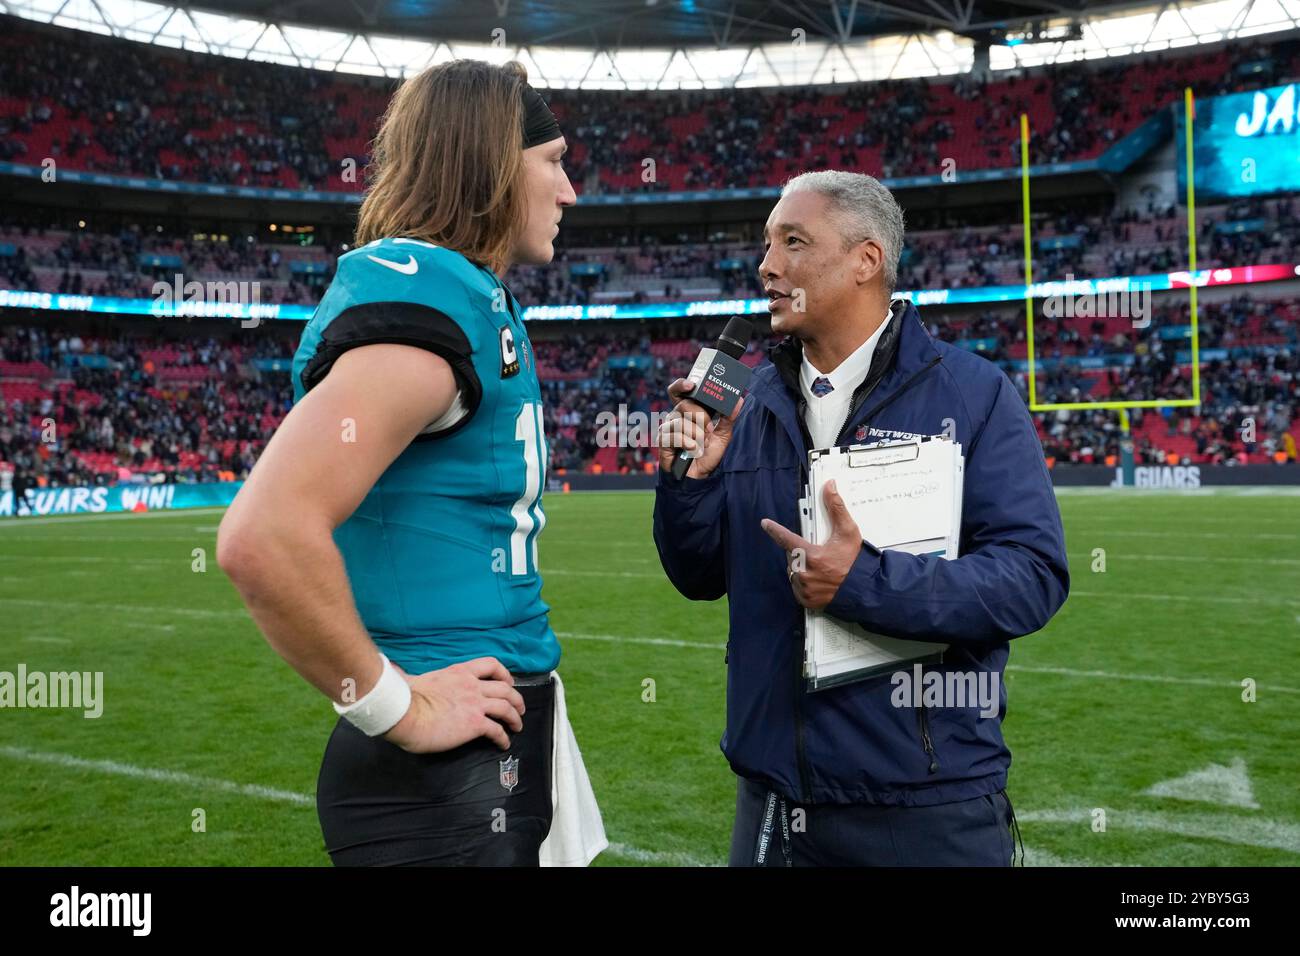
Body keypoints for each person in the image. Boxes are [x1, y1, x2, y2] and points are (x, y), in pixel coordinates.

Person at [217, 59, 594, 866]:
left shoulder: (460, 293)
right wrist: (400, 708)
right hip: (440, 776)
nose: (570, 192)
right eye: (554, 162)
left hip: (480, 739)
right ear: (491, 161)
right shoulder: (424, 311)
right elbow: (264, 535)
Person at [653, 170, 1070, 866]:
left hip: (924, 806)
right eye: (766, 245)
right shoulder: (752, 401)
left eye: (793, 242)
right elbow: (698, 576)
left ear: (865, 260)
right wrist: (689, 484)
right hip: (774, 801)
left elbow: (1032, 578)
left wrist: (865, 583)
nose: (767, 266)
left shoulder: (972, 394)